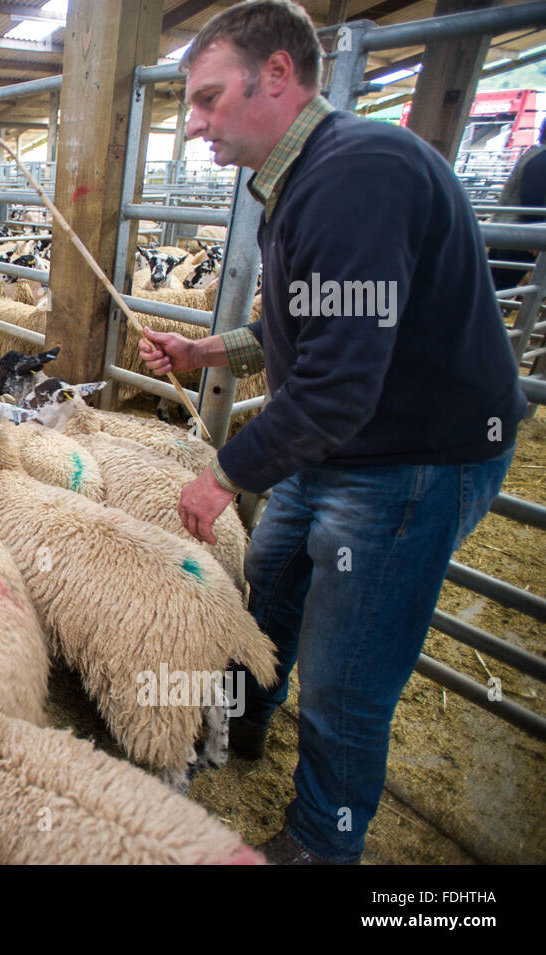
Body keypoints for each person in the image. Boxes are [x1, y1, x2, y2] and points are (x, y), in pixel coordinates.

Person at [138, 0, 526, 865]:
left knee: (346, 673)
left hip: (411, 457)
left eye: (206, 98)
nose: (194, 123)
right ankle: (240, 726)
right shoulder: (302, 179)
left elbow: (343, 380)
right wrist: (207, 345)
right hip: (335, 438)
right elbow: (309, 324)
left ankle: (320, 842)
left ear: (276, 76)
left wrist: (225, 471)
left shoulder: (357, 173)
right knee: (270, 581)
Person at [489, 117, 546, 288]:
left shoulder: (536, 154)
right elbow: (532, 197)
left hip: (509, 228)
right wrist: (534, 234)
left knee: (495, 282)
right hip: (519, 233)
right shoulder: (541, 160)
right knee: (502, 284)